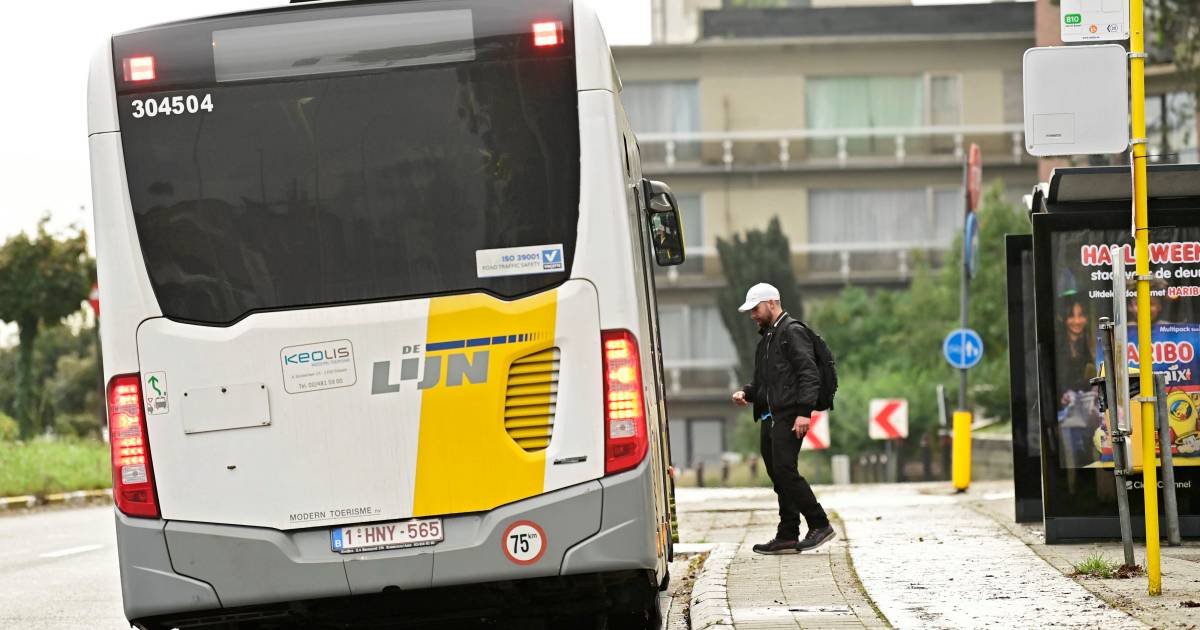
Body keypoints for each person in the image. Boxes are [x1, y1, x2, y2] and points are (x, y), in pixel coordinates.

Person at [730, 282, 834, 554]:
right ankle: (787, 534)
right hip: (770, 415)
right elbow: (768, 382)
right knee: (779, 475)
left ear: (771, 303)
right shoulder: (769, 337)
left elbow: (808, 374)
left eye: (755, 308)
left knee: (786, 471)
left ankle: (819, 523)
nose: (752, 314)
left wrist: (803, 412)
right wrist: (747, 393)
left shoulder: (792, 332)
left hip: (788, 415)